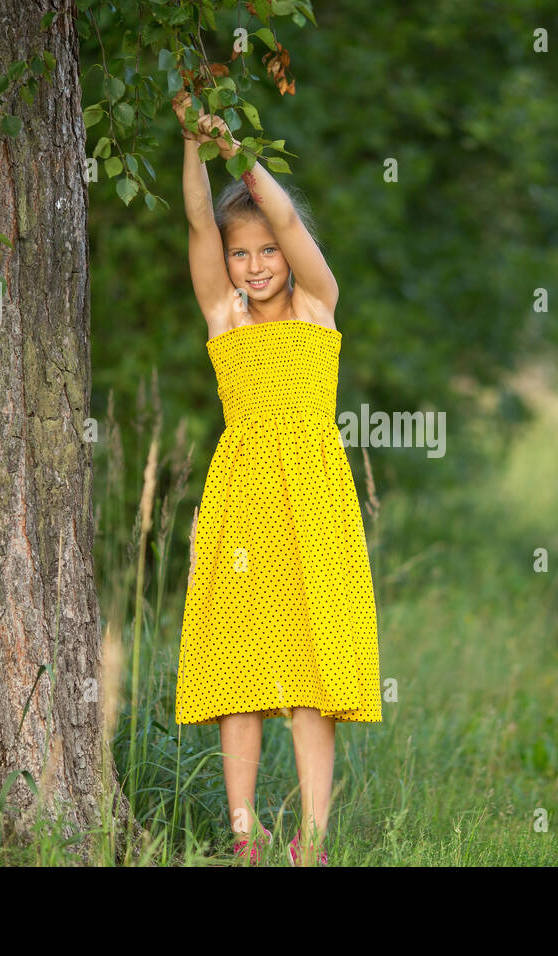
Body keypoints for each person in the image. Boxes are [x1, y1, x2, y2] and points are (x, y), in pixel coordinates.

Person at [173, 91, 382, 867]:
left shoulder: (317, 308)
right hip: (241, 504)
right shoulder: (223, 315)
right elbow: (199, 220)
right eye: (241, 253)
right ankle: (243, 835)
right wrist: (193, 145)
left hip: (317, 503)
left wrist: (237, 151)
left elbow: (287, 220)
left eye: (265, 251)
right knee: (241, 671)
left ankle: (313, 842)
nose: (255, 265)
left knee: (309, 674)